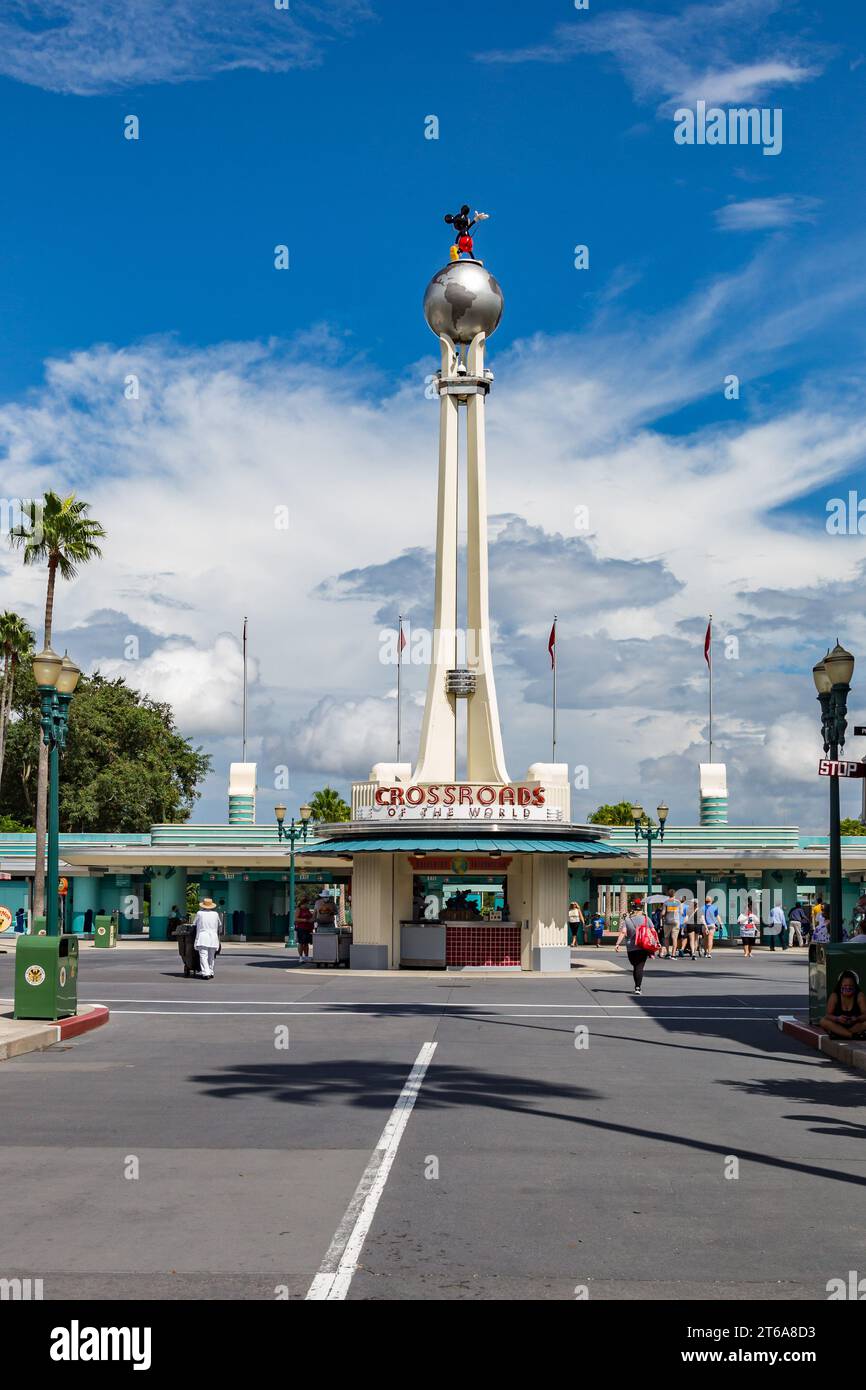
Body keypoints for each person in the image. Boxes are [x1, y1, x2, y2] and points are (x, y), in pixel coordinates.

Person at [615, 898, 659, 994]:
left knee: (635, 965)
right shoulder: (646, 919)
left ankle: (637, 986)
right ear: (641, 908)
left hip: (631, 947)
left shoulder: (627, 919)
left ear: (633, 908)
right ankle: (638, 987)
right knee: (639, 967)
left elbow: (623, 932)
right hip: (643, 946)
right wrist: (657, 943)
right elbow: (653, 931)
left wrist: (617, 943)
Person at [819, 970, 866, 1039]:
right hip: (838, 1025)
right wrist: (837, 1019)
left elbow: (865, 1014)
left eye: (851, 986)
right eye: (845, 985)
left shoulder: (860, 995)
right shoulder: (834, 996)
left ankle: (840, 1034)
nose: (848, 988)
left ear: (855, 986)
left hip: (855, 1025)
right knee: (823, 1021)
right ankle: (851, 1035)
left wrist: (857, 1018)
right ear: (840, 985)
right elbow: (828, 1015)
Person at [193, 896, 221, 979]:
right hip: (213, 937)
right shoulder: (215, 914)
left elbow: (194, 924)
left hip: (203, 937)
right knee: (211, 956)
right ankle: (211, 971)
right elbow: (219, 925)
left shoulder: (199, 913)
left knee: (203, 956)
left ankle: (206, 973)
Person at [662, 889, 681, 960]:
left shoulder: (666, 902)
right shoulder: (678, 902)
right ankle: (673, 954)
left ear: (668, 895)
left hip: (668, 921)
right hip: (676, 921)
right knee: (674, 938)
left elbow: (663, 913)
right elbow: (681, 912)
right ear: (674, 894)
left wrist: (662, 915)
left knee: (666, 937)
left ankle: (668, 953)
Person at [295, 898, 314, 962]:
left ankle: (306, 956)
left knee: (306, 943)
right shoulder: (299, 909)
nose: (307, 905)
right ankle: (300, 957)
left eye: (307, 904)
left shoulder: (307, 910)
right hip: (301, 928)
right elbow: (296, 919)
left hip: (308, 928)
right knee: (301, 943)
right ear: (303, 903)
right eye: (306, 904)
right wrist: (305, 920)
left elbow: (311, 917)